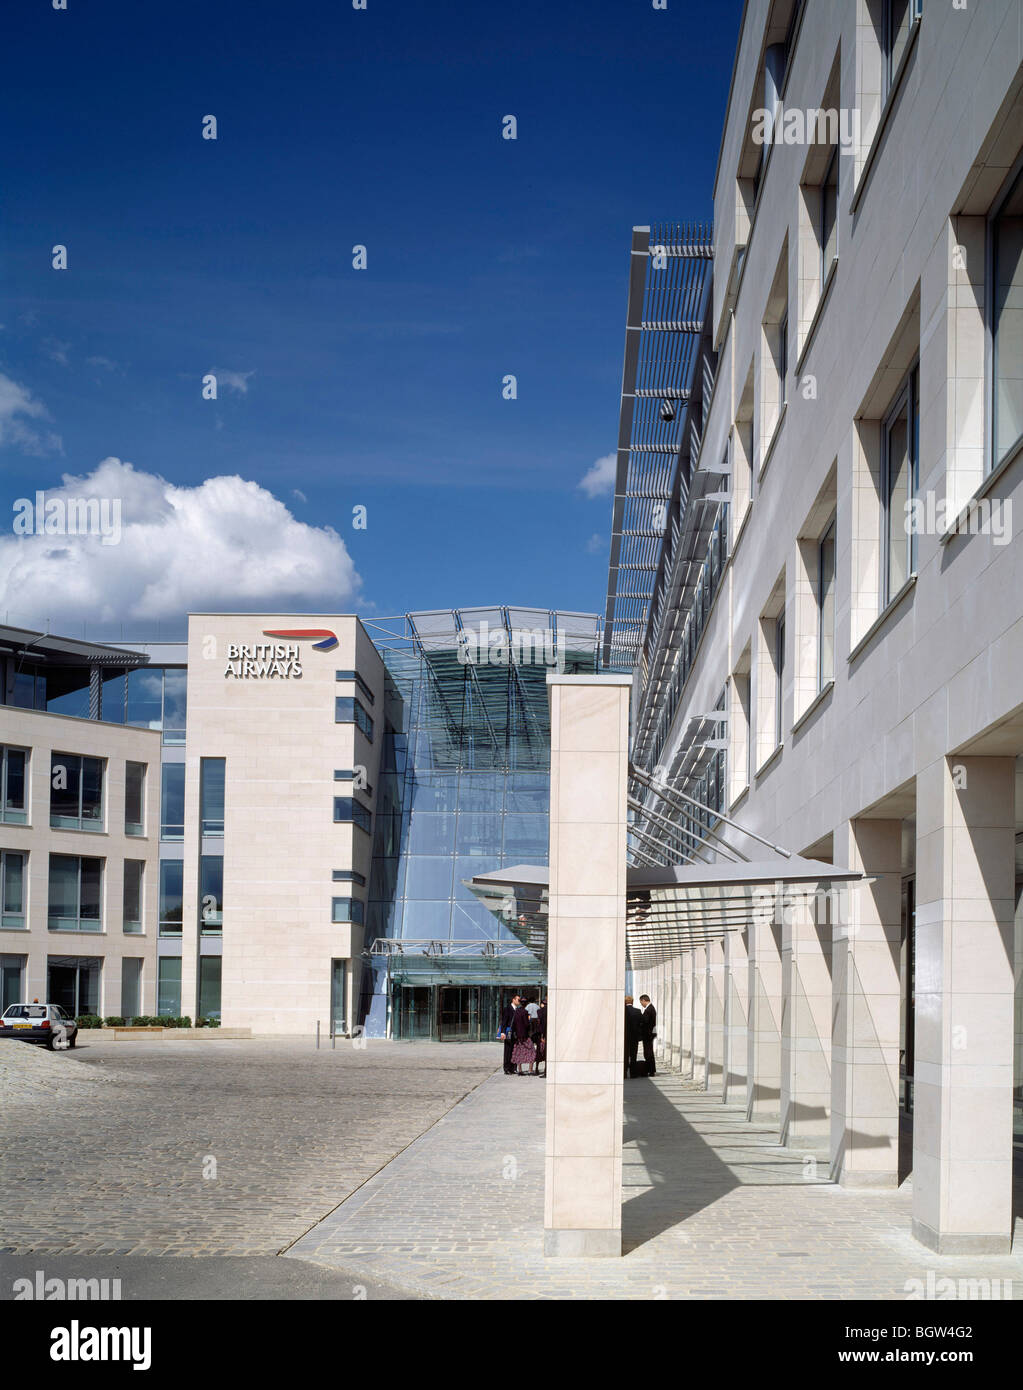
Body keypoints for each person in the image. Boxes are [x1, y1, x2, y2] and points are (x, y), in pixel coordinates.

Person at [511, 998, 536, 1075]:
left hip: (518, 1036)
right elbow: (526, 1024)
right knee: (531, 1051)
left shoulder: (516, 1012)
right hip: (525, 1035)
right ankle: (530, 1069)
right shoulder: (525, 1012)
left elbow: (514, 1023)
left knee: (519, 1052)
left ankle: (520, 1070)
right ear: (526, 1004)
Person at [498, 994, 521, 1074]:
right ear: (513, 1000)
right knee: (508, 1050)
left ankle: (513, 1068)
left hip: (515, 1033)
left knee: (514, 1050)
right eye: (518, 1000)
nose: (519, 1002)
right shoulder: (507, 1009)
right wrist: (503, 1032)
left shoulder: (518, 1009)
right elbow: (504, 1021)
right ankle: (507, 1068)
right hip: (508, 1031)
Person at [638, 994, 657, 1077]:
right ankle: (651, 1070)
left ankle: (650, 1070)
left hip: (648, 1035)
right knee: (649, 1052)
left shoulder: (649, 1010)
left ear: (644, 1000)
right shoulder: (650, 1008)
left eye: (641, 1002)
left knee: (648, 1053)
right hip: (650, 1034)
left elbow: (645, 1022)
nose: (641, 1004)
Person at [624, 995, 642, 1078]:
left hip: (624, 1037)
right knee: (633, 1055)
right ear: (632, 1002)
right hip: (634, 1037)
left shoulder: (623, 1011)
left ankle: (624, 1073)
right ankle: (633, 1073)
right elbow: (642, 1024)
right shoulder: (638, 1011)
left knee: (625, 1055)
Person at [535, 998, 547, 1077]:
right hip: (547, 1034)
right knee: (546, 1053)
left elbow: (541, 1024)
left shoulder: (539, 1011)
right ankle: (546, 1070)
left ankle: (536, 1068)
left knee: (539, 1052)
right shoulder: (550, 1010)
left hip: (541, 1035)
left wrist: (542, 1035)